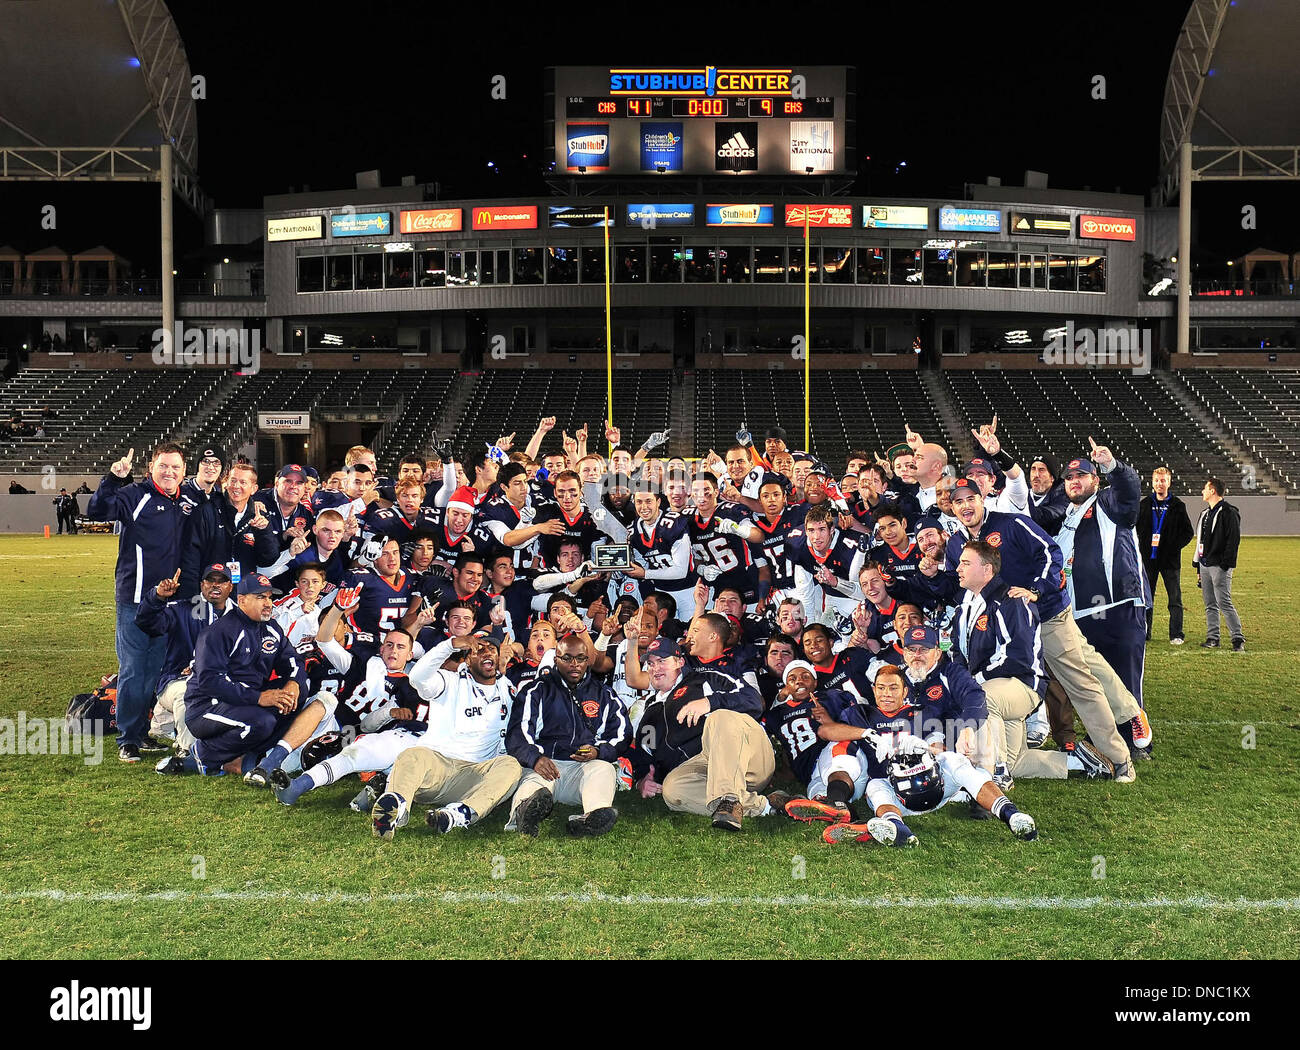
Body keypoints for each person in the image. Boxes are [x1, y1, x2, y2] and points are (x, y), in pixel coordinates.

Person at [87, 444, 188, 763]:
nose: (169, 472)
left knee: (153, 669)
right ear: (151, 468)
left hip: (164, 602)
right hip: (134, 598)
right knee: (132, 668)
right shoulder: (135, 494)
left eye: (175, 467)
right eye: (163, 466)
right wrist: (112, 480)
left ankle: (141, 731)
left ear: (184, 472)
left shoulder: (182, 502)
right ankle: (128, 738)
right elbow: (97, 512)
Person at [368, 635, 521, 837]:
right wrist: (450, 645)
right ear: (467, 660)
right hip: (436, 770)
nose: (486, 652)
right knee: (412, 755)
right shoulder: (449, 681)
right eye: (478, 649)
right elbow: (417, 678)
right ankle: (396, 807)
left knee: (511, 766)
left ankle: (459, 814)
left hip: (474, 775)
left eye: (491, 649)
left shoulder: (507, 688)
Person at [1057, 445, 1156, 752]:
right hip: (1082, 613)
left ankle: (1136, 743)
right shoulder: (1066, 517)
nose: (1075, 481)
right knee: (1097, 683)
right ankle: (1107, 740)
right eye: (1070, 477)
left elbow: (1129, 491)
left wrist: (1113, 464)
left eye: (1082, 475)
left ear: (1096, 479)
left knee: (1124, 677)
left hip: (1118, 605)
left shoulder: (1108, 502)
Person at [182, 573, 324, 777]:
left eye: (269, 597)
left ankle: (243, 756)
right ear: (241, 600)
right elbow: (210, 681)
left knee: (296, 694)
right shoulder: (219, 632)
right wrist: (258, 698)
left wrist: (293, 682)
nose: (268, 603)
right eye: (260, 597)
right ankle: (204, 753)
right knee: (261, 722)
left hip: (245, 703)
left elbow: (293, 661)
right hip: (206, 707)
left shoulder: (271, 628)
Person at [632, 638, 779, 832]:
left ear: (680, 662)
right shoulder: (648, 712)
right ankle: (764, 805)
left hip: (748, 756)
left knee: (719, 717)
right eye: (650, 663)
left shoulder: (705, 679)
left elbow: (754, 701)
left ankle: (729, 797)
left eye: (662, 661)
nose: (655, 668)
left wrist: (710, 702)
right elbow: (644, 755)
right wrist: (641, 780)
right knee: (672, 789)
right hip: (705, 771)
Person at [505, 634, 631, 837]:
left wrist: (598, 751)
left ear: (587, 659)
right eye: (567, 658)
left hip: (580, 771)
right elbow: (517, 734)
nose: (574, 664)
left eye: (580, 658)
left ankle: (591, 818)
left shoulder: (604, 694)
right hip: (545, 765)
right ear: (556, 659)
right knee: (535, 785)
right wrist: (534, 758)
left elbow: (622, 734)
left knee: (604, 769)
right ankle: (523, 813)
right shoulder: (536, 690)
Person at [1136, 467, 1194, 645]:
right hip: (1148, 561)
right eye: (1157, 480)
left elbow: (1188, 532)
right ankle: (1145, 632)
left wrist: (1172, 548)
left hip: (1170, 562)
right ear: (1152, 482)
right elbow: (1135, 531)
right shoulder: (1144, 505)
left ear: (1169, 482)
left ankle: (1176, 634)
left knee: (1174, 599)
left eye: (1163, 480)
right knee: (1146, 598)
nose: (1160, 484)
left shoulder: (1178, 505)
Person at [1193, 477, 1245, 651]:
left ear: (1212, 490)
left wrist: (1225, 564)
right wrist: (1198, 564)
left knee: (1224, 602)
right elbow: (1200, 540)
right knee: (1210, 604)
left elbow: (1233, 540)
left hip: (1219, 565)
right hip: (1205, 564)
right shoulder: (1205, 513)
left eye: (1204, 488)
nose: (1202, 491)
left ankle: (1237, 639)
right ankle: (1213, 637)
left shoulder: (1229, 512)